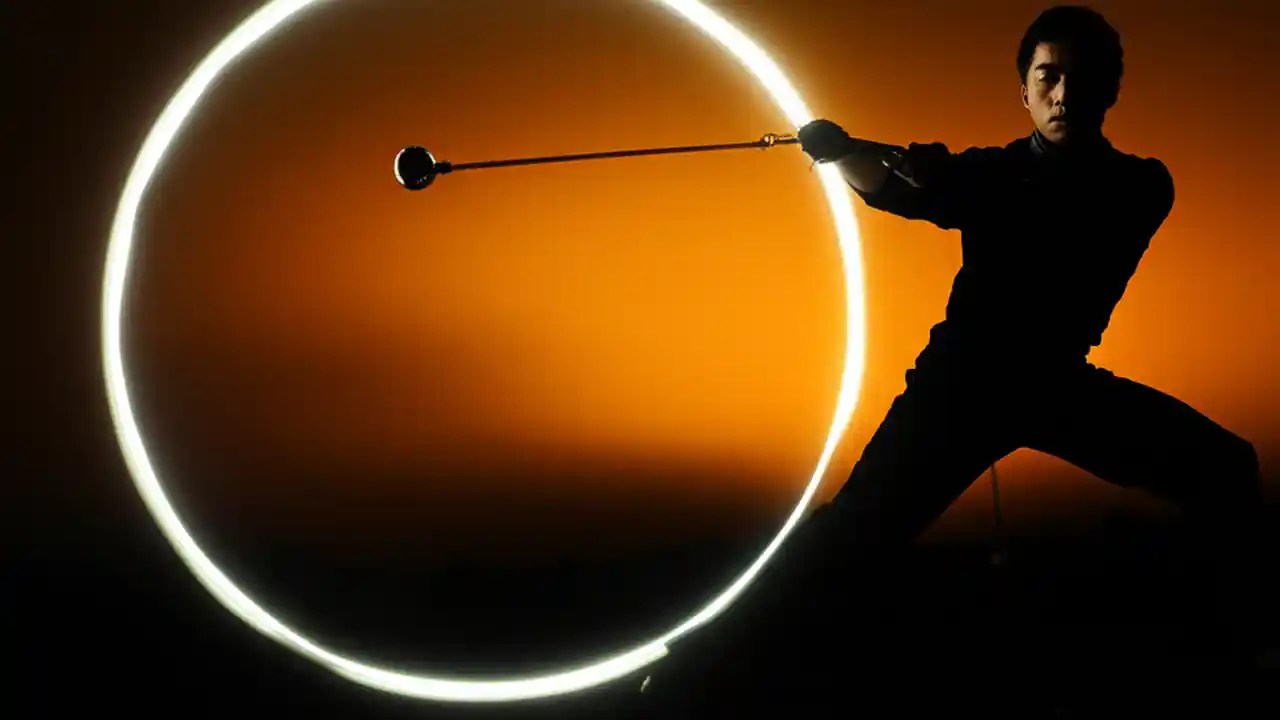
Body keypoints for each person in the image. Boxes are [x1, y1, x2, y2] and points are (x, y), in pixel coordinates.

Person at [785, 4, 1265, 655]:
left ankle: (1227, 644)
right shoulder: (988, 173)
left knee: (1226, 469)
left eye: (1083, 76)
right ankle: (702, 667)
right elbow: (891, 192)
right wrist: (844, 154)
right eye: (1048, 77)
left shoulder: (1141, 184)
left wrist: (938, 175)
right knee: (853, 534)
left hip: (1053, 383)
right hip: (961, 387)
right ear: (1024, 90)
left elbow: (1049, 201)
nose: (1064, 94)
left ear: (1113, 87)